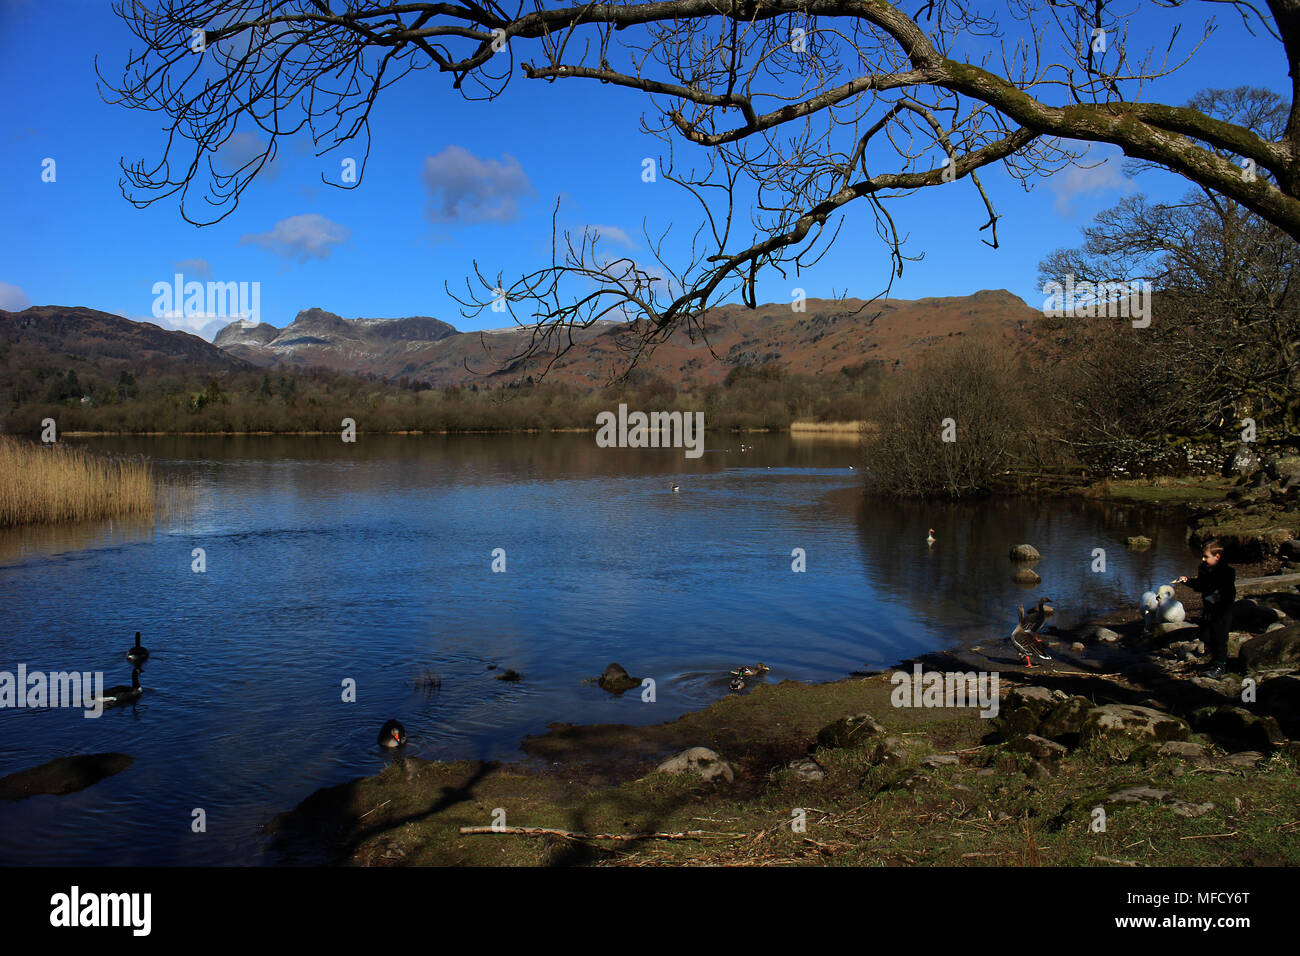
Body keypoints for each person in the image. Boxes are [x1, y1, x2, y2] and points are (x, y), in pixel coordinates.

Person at [1176, 541, 1236, 679]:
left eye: (1206, 556)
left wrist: (1218, 599)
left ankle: (1220, 665)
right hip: (1209, 608)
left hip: (1222, 610)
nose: (1203, 559)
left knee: (1219, 637)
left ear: (1217, 557)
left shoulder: (1227, 572)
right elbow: (1200, 585)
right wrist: (1187, 581)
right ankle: (1214, 660)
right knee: (1206, 635)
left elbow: (1229, 593)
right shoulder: (1204, 568)